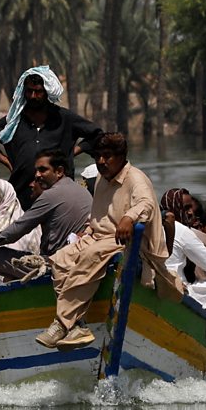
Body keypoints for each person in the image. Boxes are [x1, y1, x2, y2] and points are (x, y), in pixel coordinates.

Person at [36, 133, 178, 351]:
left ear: (121, 156)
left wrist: (129, 217)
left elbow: (147, 204)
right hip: (99, 237)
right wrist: (86, 233)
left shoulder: (136, 179)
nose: (101, 161)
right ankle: (78, 325)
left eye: (107, 156)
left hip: (128, 243)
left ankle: (62, 323)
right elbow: (99, 218)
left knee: (90, 256)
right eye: (98, 156)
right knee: (60, 259)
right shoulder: (102, 179)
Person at [0, 66, 103, 208]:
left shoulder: (64, 118)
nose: (33, 96)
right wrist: (7, 161)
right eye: (29, 91)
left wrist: (72, 153)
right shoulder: (13, 121)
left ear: (47, 92)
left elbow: (97, 134)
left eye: (38, 92)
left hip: (58, 196)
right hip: (22, 194)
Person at [0, 150, 93, 280]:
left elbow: (21, 226)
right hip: (80, 259)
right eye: (36, 170)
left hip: (59, 265)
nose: (37, 175)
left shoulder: (50, 195)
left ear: (59, 171)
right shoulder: (82, 190)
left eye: (43, 170)